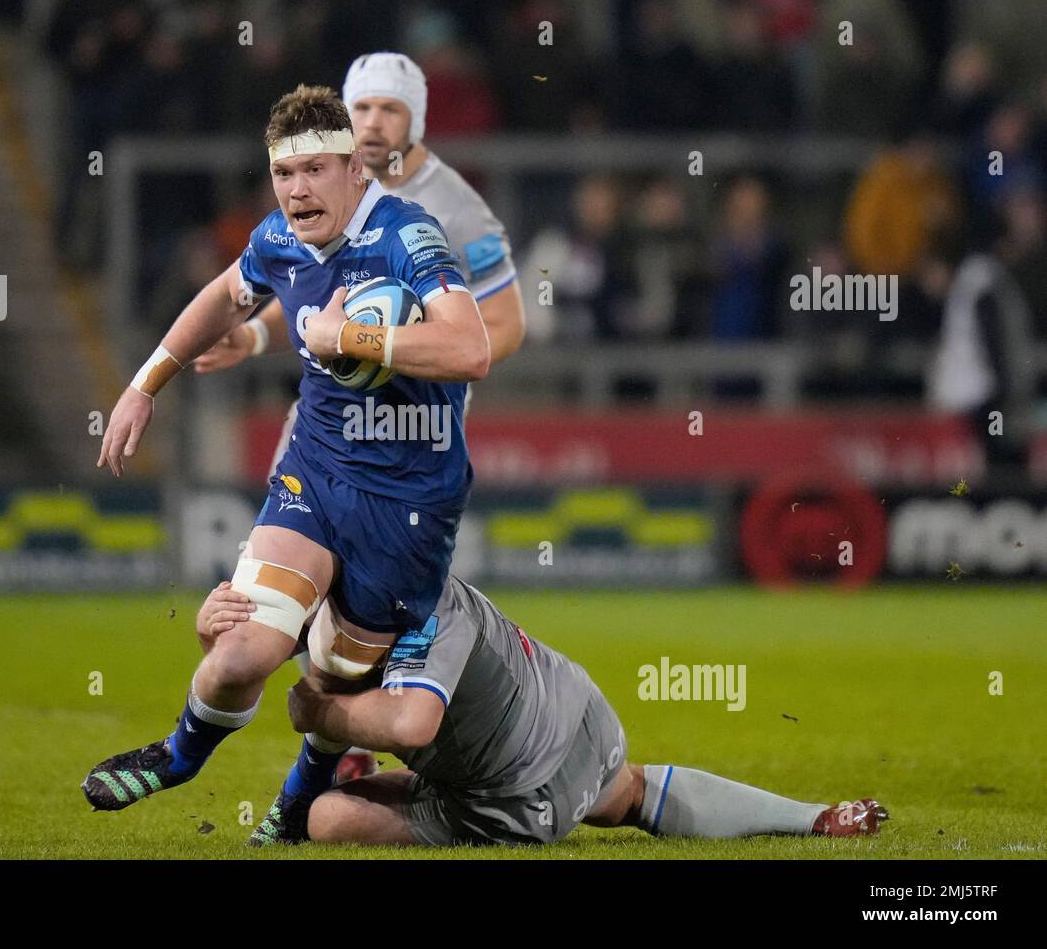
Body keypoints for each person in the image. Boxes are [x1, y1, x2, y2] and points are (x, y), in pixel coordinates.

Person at [83, 84, 491, 823]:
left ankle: (296, 805)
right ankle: (175, 759)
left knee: (334, 681)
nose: (298, 190)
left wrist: (352, 339)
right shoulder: (278, 238)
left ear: (354, 171)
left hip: (408, 503)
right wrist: (147, 383)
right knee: (239, 649)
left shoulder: (407, 236)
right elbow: (223, 293)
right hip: (317, 473)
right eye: (284, 174)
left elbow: (470, 348)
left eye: (315, 171)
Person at [194, 52, 524, 789]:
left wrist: (406, 357)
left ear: (417, 120)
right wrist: (251, 336)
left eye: (390, 110)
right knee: (280, 595)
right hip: (329, 427)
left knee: (362, 622)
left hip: (409, 441)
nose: (374, 124)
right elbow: (313, 295)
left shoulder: (457, 208)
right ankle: (273, 697)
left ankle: (335, 744)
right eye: (362, 109)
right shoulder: (324, 192)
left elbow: (500, 323)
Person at [195, 579, 889, 847]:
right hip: (578, 711)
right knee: (626, 792)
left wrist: (315, 713)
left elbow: (408, 723)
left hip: (516, 799)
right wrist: (220, 638)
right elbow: (318, 650)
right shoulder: (386, 575)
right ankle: (813, 818)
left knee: (329, 816)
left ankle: (355, 771)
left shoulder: (424, 613)